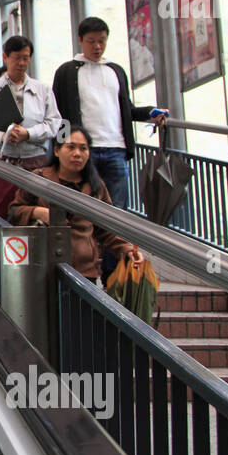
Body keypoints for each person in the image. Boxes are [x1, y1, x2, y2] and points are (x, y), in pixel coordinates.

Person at [52, 17, 168, 279]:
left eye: (102, 40)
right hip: (83, 153)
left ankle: (113, 274)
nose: (97, 46)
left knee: (116, 216)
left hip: (115, 148)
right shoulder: (68, 71)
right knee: (83, 214)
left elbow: (125, 107)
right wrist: (59, 151)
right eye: (91, 41)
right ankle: (84, 269)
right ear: (81, 40)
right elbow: (59, 113)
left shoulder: (115, 71)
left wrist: (150, 113)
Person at [8, 126, 141, 283]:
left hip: (84, 272)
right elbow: (13, 212)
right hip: (42, 268)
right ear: (57, 151)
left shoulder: (95, 186)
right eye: (71, 147)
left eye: (83, 149)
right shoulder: (39, 178)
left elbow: (107, 229)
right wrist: (37, 212)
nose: (77, 154)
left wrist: (128, 250)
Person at [0, 35, 62, 168]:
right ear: (5, 57)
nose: (22, 63)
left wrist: (28, 134)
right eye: (17, 58)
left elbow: (54, 123)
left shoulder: (43, 90)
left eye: (26, 58)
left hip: (36, 160)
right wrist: (2, 136)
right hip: (3, 160)